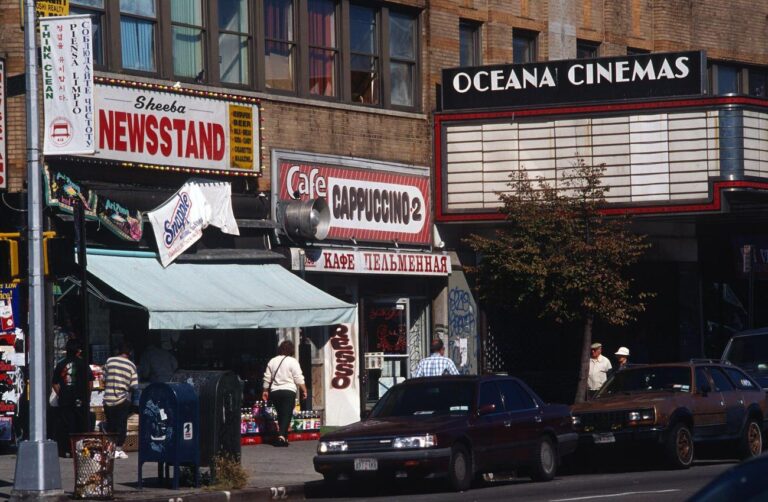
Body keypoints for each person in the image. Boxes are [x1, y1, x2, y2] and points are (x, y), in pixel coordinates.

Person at [51, 338, 94, 457]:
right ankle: (80, 450)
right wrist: (88, 396)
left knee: (66, 425)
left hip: (65, 400)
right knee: (81, 425)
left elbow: (54, 383)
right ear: (78, 351)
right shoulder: (83, 364)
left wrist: (61, 393)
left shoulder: (61, 364)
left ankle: (67, 449)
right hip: (81, 399)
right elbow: (90, 382)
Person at [262, 340, 307, 446]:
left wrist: (265, 390)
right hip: (289, 391)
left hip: (275, 391)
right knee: (287, 413)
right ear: (291, 350)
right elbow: (298, 377)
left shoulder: (272, 361)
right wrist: (304, 390)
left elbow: (267, 377)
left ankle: (284, 437)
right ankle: (281, 436)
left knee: (281, 413)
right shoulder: (293, 361)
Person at [103, 341, 138, 459]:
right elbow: (134, 386)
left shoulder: (109, 361)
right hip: (122, 399)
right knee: (121, 425)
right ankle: (118, 449)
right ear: (130, 353)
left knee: (111, 424)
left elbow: (104, 377)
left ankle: (109, 449)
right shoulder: (131, 365)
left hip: (108, 398)